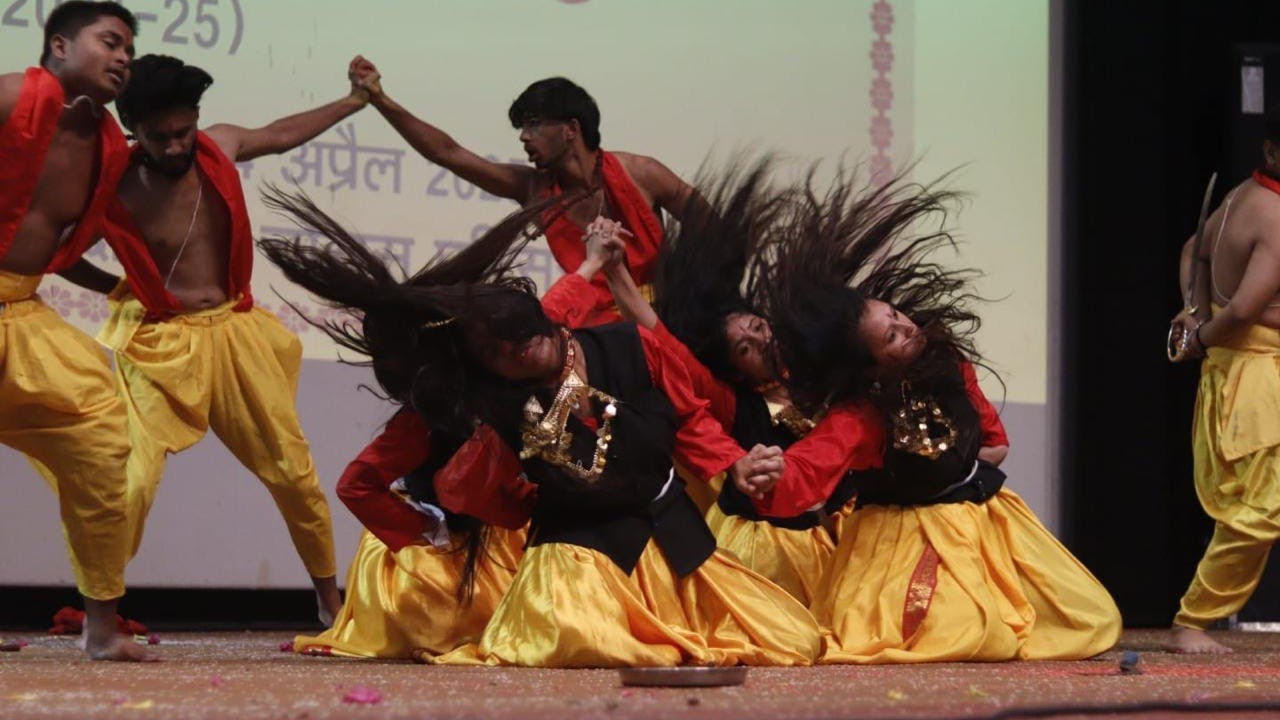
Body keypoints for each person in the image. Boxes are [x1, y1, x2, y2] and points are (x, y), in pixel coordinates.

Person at [259, 189, 821, 667]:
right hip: (576, 555)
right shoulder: (498, 407)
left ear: (543, 322)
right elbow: (481, 496)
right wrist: (447, 515)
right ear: (486, 367)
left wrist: (734, 464)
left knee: (792, 639)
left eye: (519, 335)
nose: (515, 350)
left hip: (669, 532)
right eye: (495, 351)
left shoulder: (630, 345)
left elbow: (691, 418)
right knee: (584, 643)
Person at [54, 53, 374, 623]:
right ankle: (99, 611)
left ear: (197, 118)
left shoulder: (218, 148)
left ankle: (331, 603)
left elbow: (279, 135)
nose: (176, 146)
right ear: (133, 130)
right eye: (160, 138)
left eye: (184, 131)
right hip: (160, 342)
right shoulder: (111, 183)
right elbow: (60, 256)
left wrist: (353, 101)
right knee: (131, 479)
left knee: (293, 473)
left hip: (235, 331)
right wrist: (122, 287)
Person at [757, 168, 1120, 662]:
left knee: (1093, 618)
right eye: (890, 337)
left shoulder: (948, 362)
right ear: (869, 366)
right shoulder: (861, 415)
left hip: (981, 521)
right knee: (967, 634)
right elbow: (809, 469)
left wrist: (965, 482)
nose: (905, 328)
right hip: (905, 538)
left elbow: (995, 440)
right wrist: (772, 475)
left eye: (897, 317)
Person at [584, 158, 884, 605]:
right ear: (736, 369)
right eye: (744, 347)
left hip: (839, 541)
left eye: (757, 328)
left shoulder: (821, 377)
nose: (757, 340)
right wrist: (614, 271)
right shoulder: (732, 403)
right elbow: (660, 338)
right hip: (766, 552)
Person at [0, 0, 155, 661]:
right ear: (59, 46)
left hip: (21, 308)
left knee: (102, 432)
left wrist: (124, 288)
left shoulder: (108, 147)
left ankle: (99, 629)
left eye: (129, 47)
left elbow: (45, 244)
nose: (123, 57)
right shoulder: (10, 96)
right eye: (110, 41)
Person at [347, 57, 698, 323]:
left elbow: (717, 232)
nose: (523, 136)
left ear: (571, 129)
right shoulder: (533, 189)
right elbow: (447, 153)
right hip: (597, 337)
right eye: (521, 127)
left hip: (670, 324)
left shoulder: (641, 173)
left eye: (533, 124)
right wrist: (381, 100)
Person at [1167, 103, 1280, 654]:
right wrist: (1201, 335)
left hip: (1244, 368)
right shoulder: (1274, 214)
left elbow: (1196, 250)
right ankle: (1194, 620)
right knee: (1262, 507)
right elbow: (1245, 310)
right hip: (1258, 373)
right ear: (1271, 152)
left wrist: (1191, 307)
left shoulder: (1237, 198)